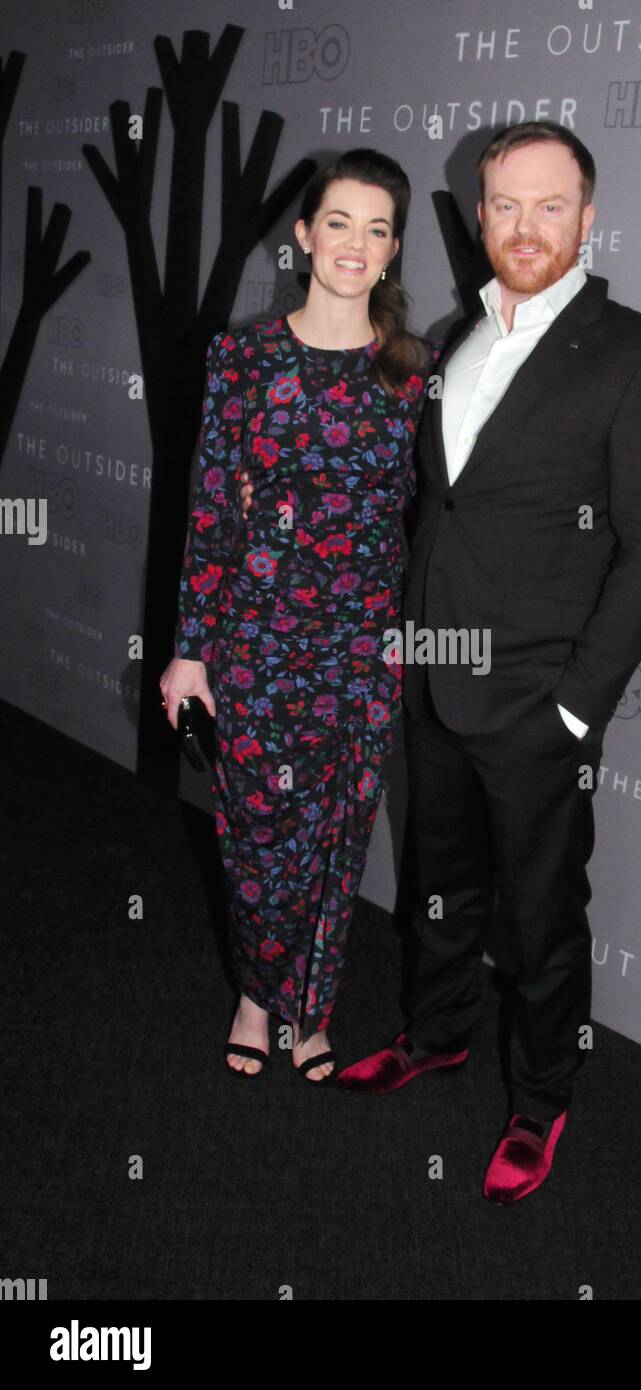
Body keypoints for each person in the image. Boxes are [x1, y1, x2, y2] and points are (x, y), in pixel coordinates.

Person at [330, 121, 641, 1203]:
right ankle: (438, 1033)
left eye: (550, 205)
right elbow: (444, 509)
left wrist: (575, 712)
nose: (525, 226)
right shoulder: (458, 338)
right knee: (441, 886)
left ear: (588, 219)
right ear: (479, 215)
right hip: (434, 677)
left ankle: (542, 1100)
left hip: (540, 704)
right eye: (505, 205)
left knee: (540, 921)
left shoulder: (640, 354)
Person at [160, 149, 438, 1083]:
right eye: (338, 223)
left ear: (392, 249)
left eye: (375, 228)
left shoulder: (413, 374)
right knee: (256, 833)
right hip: (253, 644)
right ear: (304, 234)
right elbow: (207, 511)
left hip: (360, 649)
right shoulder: (242, 357)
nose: (353, 244)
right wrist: (189, 653)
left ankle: (309, 1008)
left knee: (337, 833)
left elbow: (437, 516)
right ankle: (254, 990)